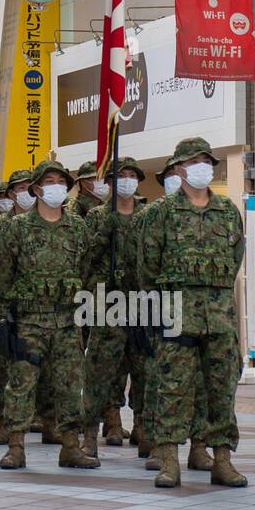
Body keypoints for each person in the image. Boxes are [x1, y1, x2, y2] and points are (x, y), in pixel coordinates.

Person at [138, 136, 246, 489]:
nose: (203, 167)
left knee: (221, 389)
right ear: (180, 168)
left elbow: (234, 259)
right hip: (176, 314)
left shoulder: (228, 212)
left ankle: (222, 458)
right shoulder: (160, 213)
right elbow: (147, 268)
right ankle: (168, 460)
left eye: (208, 161)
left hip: (218, 316)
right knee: (172, 387)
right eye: (196, 161)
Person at [0, 159, 96, 471]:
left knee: (70, 384)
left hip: (67, 320)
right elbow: (2, 274)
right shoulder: (17, 228)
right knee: (22, 383)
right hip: (29, 319)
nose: (56, 187)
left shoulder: (78, 227)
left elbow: (87, 271)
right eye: (49, 181)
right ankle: (16, 446)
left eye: (61, 182)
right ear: (37, 188)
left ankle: (70, 446)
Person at [81, 159, 147, 455]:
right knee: (101, 369)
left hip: (143, 303)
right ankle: (92, 431)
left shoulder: (149, 215)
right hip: (108, 303)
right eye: (122, 176)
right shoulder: (97, 217)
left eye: (133, 176)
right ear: (109, 182)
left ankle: (147, 429)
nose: (128, 181)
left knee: (146, 368)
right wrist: (105, 230)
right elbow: (85, 259)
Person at [0, 169, 36, 445]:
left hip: (42, 308)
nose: (25, 191)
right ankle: (3, 424)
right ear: (11, 194)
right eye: (20, 187)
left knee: (46, 369)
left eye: (30, 186)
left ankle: (48, 421)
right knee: (6, 368)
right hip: (9, 307)